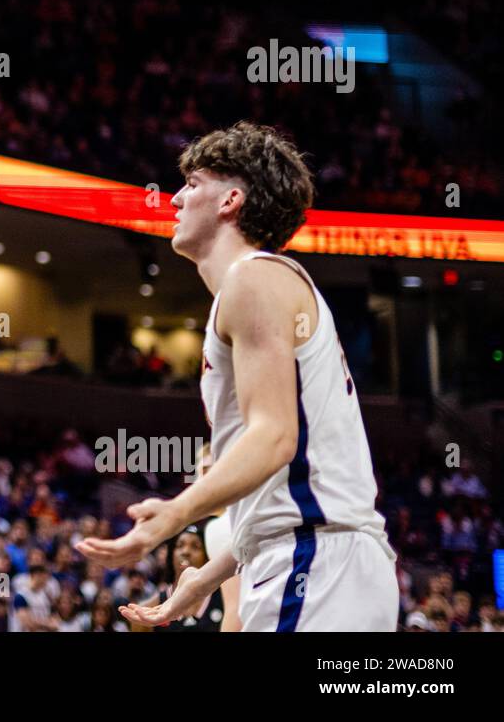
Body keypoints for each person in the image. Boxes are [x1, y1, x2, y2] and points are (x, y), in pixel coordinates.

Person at [79, 122, 398, 632]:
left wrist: (175, 514)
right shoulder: (260, 284)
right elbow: (288, 488)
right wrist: (205, 579)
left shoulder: (254, 278)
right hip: (313, 563)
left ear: (231, 200)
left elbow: (275, 439)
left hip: (313, 565)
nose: (177, 198)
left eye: (193, 183)